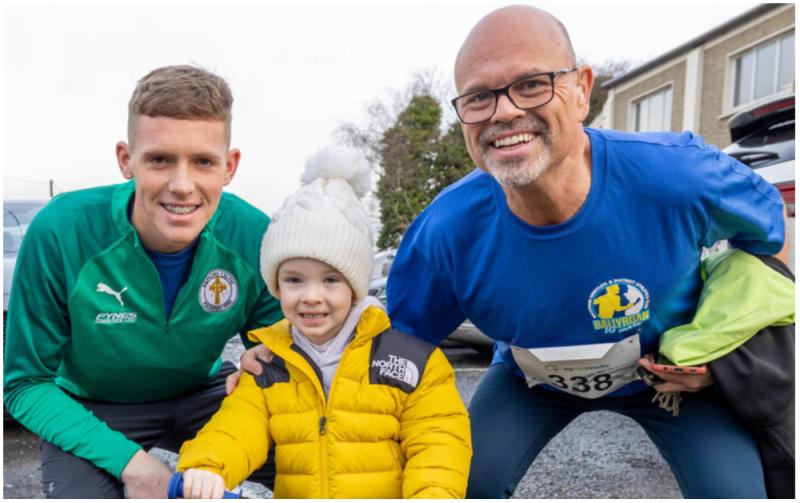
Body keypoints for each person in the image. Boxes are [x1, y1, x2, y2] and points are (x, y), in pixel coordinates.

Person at [381, 6, 785, 499]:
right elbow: (402, 345)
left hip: (665, 381)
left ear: (581, 91)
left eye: (532, 84)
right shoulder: (446, 227)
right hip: (529, 382)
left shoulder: (678, 176)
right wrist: (305, 361)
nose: (504, 111)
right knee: (452, 486)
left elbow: (775, 238)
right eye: (479, 96)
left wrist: (727, 355)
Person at [3, 65, 283, 498]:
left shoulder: (253, 235)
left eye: (203, 162)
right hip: (94, 406)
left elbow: (283, 353)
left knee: (315, 454)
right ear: (126, 160)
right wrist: (133, 466)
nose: (182, 185)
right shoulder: (61, 231)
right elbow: (24, 383)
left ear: (228, 167)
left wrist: (260, 375)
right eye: (159, 159)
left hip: (206, 393)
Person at [176, 146, 472, 498]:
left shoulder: (410, 360)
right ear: (275, 285)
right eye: (294, 280)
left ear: (356, 286)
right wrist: (208, 466)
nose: (311, 296)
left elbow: (438, 440)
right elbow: (236, 428)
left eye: (330, 280)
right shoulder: (271, 365)